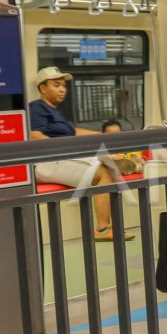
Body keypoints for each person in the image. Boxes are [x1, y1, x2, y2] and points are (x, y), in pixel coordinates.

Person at [30, 66, 133, 242]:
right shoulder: (36, 108)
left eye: (64, 85)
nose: (62, 89)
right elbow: (35, 136)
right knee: (104, 172)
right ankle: (102, 229)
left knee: (109, 163)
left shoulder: (56, 112)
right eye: (56, 85)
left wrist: (105, 137)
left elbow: (74, 132)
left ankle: (123, 164)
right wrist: (68, 149)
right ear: (43, 88)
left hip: (63, 159)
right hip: (47, 162)